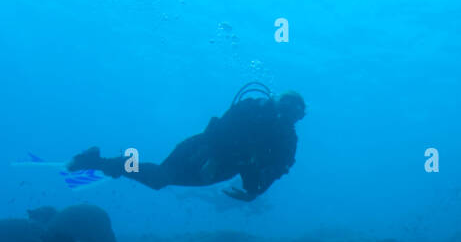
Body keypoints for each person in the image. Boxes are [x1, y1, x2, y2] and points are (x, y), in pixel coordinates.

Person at [67, 83, 305, 202]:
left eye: (295, 110)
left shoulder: (287, 139)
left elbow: (279, 169)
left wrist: (256, 191)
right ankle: (102, 162)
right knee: (160, 177)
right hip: (201, 150)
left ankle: (106, 163)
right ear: (276, 101)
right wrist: (212, 155)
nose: (287, 112)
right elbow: (221, 128)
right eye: (286, 103)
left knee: (159, 180)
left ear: (299, 116)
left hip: (223, 169)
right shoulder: (252, 108)